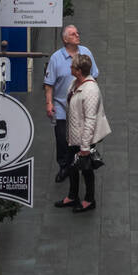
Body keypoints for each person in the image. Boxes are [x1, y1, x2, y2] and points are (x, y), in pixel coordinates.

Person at [55, 53, 111, 214]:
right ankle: (72, 196)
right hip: (73, 135)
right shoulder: (75, 83)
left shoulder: (90, 90)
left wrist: (85, 146)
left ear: (79, 71)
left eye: (72, 66)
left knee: (86, 169)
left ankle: (89, 200)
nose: (70, 68)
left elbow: (90, 121)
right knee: (72, 166)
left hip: (83, 138)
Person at [44, 25, 98, 182]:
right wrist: (49, 103)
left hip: (80, 107)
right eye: (73, 34)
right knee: (61, 139)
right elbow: (49, 83)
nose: (77, 35)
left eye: (77, 33)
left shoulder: (86, 53)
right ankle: (64, 166)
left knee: (80, 138)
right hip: (61, 106)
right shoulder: (56, 58)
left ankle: (80, 163)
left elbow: (93, 76)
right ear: (65, 39)